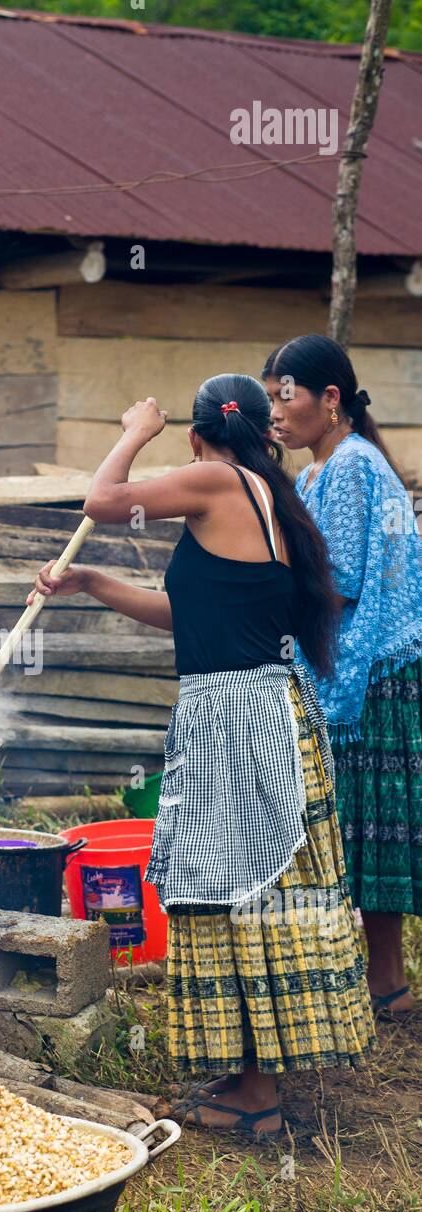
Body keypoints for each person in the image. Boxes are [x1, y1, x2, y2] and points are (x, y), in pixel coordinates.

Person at [29, 374, 375, 1137]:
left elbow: (103, 502)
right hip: (249, 713)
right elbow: (187, 616)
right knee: (241, 892)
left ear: (194, 436)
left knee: (242, 894)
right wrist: (88, 580)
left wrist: (130, 430)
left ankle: (258, 1098)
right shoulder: (258, 495)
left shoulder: (218, 480)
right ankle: (251, 1077)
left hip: (243, 723)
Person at [263, 335, 422, 1021]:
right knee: (354, 825)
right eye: (268, 398)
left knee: (371, 826)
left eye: (285, 395)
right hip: (349, 665)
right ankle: (378, 980)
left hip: (375, 671)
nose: (275, 412)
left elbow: (345, 578)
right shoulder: (314, 473)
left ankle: (386, 981)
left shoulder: (354, 465)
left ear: (330, 399)